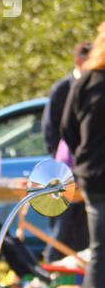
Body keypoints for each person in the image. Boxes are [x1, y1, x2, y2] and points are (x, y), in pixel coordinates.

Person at [61, 24, 105, 288]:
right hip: (97, 174)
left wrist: (83, 156)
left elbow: (68, 128)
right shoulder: (90, 80)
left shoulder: (87, 80)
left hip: (94, 174)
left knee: (101, 249)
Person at [41, 40, 92, 262]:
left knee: (85, 233)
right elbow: (51, 128)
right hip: (64, 168)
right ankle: (49, 271)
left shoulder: (94, 87)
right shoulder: (62, 88)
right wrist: (61, 163)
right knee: (60, 230)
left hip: (88, 169)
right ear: (78, 61)